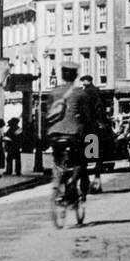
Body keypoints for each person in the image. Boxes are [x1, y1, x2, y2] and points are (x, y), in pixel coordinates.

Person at [47, 66, 103, 201]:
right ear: (76, 76)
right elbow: (87, 116)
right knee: (81, 160)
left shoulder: (54, 92)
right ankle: (73, 182)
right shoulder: (81, 93)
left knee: (58, 161)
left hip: (55, 134)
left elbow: (48, 114)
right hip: (73, 133)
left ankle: (60, 184)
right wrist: (92, 132)